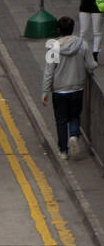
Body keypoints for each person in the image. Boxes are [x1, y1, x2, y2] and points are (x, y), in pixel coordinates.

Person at [42, 15, 97, 160]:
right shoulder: (82, 44)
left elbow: (49, 71)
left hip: (59, 90)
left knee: (61, 120)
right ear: (73, 29)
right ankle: (73, 135)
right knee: (74, 116)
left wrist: (45, 92)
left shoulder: (53, 48)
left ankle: (63, 151)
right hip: (77, 88)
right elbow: (91, 64)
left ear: (58, 30)